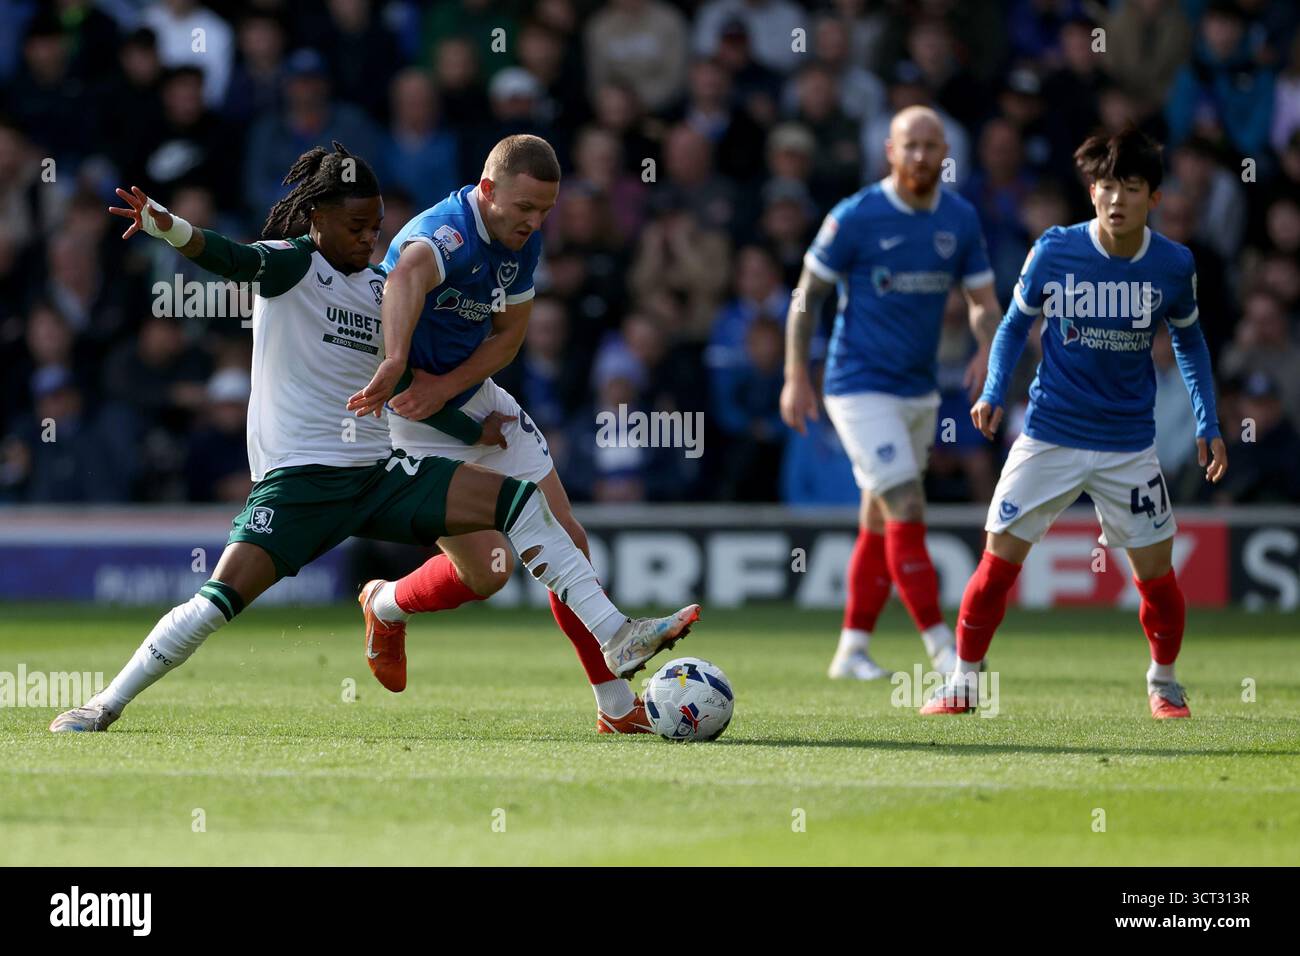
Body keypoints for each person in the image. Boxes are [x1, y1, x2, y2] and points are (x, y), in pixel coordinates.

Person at [50, 143, 698, 733]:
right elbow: (227, 256)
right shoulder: (291, 269)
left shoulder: (377, 291)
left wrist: (473, 425)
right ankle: (104, 703)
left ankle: (615, 637)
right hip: (300, 483)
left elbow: (413, 388)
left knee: (519, 504)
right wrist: (167, 226)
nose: (370, 239)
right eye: (357, 226)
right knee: (217, 602)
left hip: (380, 474)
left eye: (375, 225)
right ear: (317, 218)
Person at [345, 134, 697, 734]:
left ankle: (615, 706)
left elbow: (507, 339)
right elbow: (403, 274)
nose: (534, 223)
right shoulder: (447, 232)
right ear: (487, 191)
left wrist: (452, 386)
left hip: (472, 397)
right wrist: (403, 363)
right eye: (524, 209)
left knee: (569, 540)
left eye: (545, 212)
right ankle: (383, 604)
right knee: (489, 572)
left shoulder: (521, 244)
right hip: (409, 416)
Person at [922, 127, 1227, 720]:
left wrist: (1207, 420)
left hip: (1128, 446)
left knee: (1158, 578)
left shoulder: (1172, 263)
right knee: (995, 564)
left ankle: (1163, 683)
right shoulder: (1055, 250)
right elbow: (1013, 325)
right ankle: (963, 682)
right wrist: (991, 390)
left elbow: (1190, 343)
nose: (1117, 199)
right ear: (1092, 192)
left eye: (1131, 188)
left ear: (1153, 198)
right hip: (1049, 434)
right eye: (1107, 186)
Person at [781, 106, 1002, 682]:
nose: (923, 156)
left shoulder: (960, 218)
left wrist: (987, 349)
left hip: (919, 391)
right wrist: (795, 375)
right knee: (906, 504)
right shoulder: (857, 216)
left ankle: (851, 649)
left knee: (878, 521)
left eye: (933, 145)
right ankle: (944, 652)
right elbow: (807, 297)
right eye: (912, 146)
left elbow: (983, 303)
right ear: (890, 151)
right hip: (856, 386)